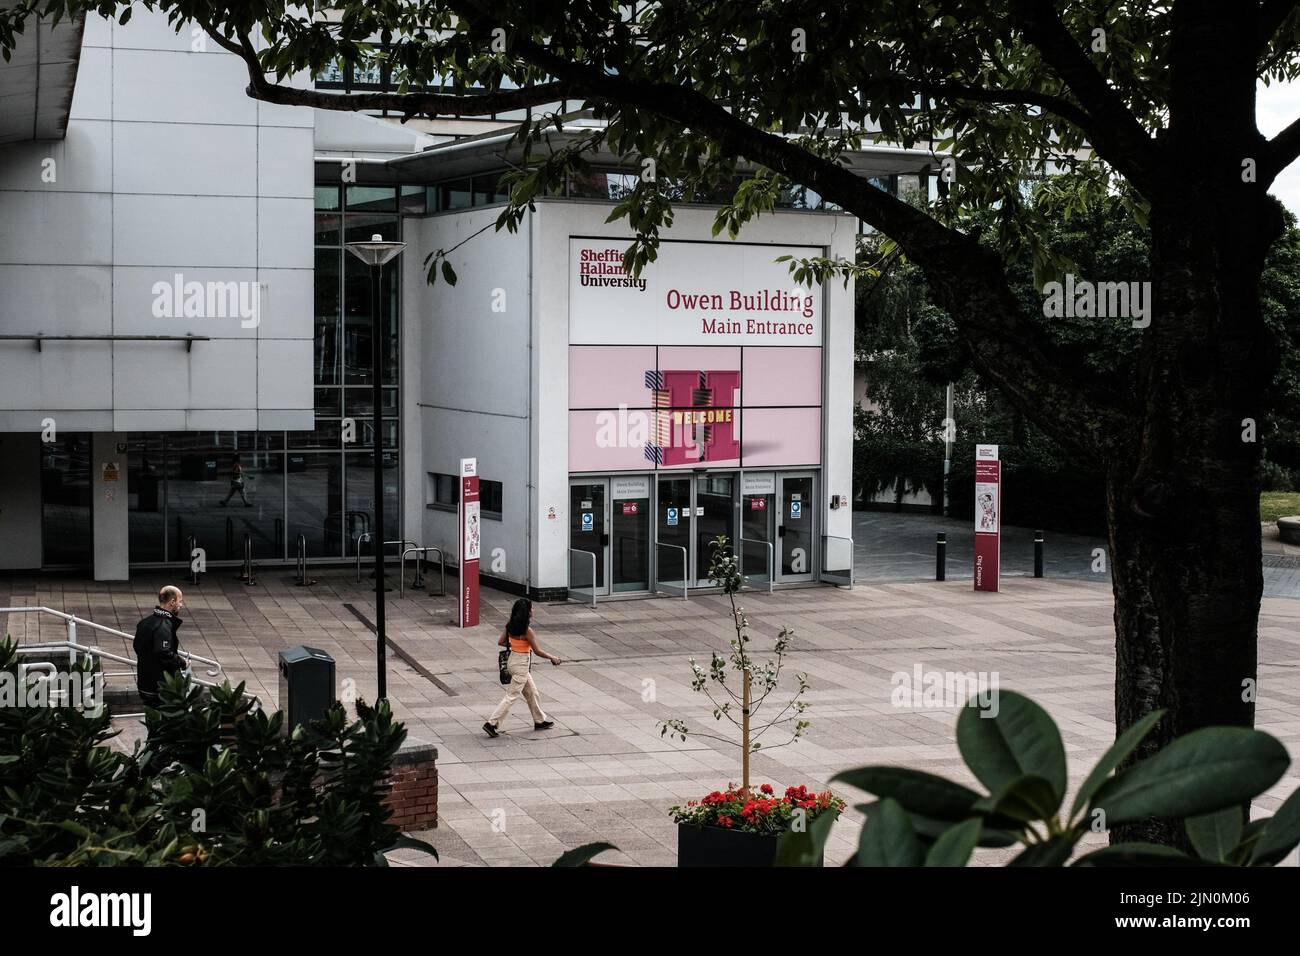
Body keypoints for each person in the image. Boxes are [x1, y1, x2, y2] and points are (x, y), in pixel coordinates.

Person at [484, 598, 561, 737]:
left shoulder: (510, 625)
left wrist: (515, 644)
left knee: (532, 692)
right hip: (521, 664)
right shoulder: (527, 631)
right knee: (511, 696)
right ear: (527, 612)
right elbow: (537, 651)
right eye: (532, 608)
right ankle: (491, 723)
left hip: (513, 660)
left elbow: (501, 642)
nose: (533, 610)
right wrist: (553, 657)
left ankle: (539, 720)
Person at [133, 585, 188, 709]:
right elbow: (164, 653)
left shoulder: (144, 622)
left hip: (144, 682)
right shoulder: (164, 625)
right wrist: (182, 662)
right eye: (180, 601)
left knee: (152, 719)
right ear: (172, 602)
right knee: (165, 721)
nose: (181, 605)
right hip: (160, 686)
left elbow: (137, 647)